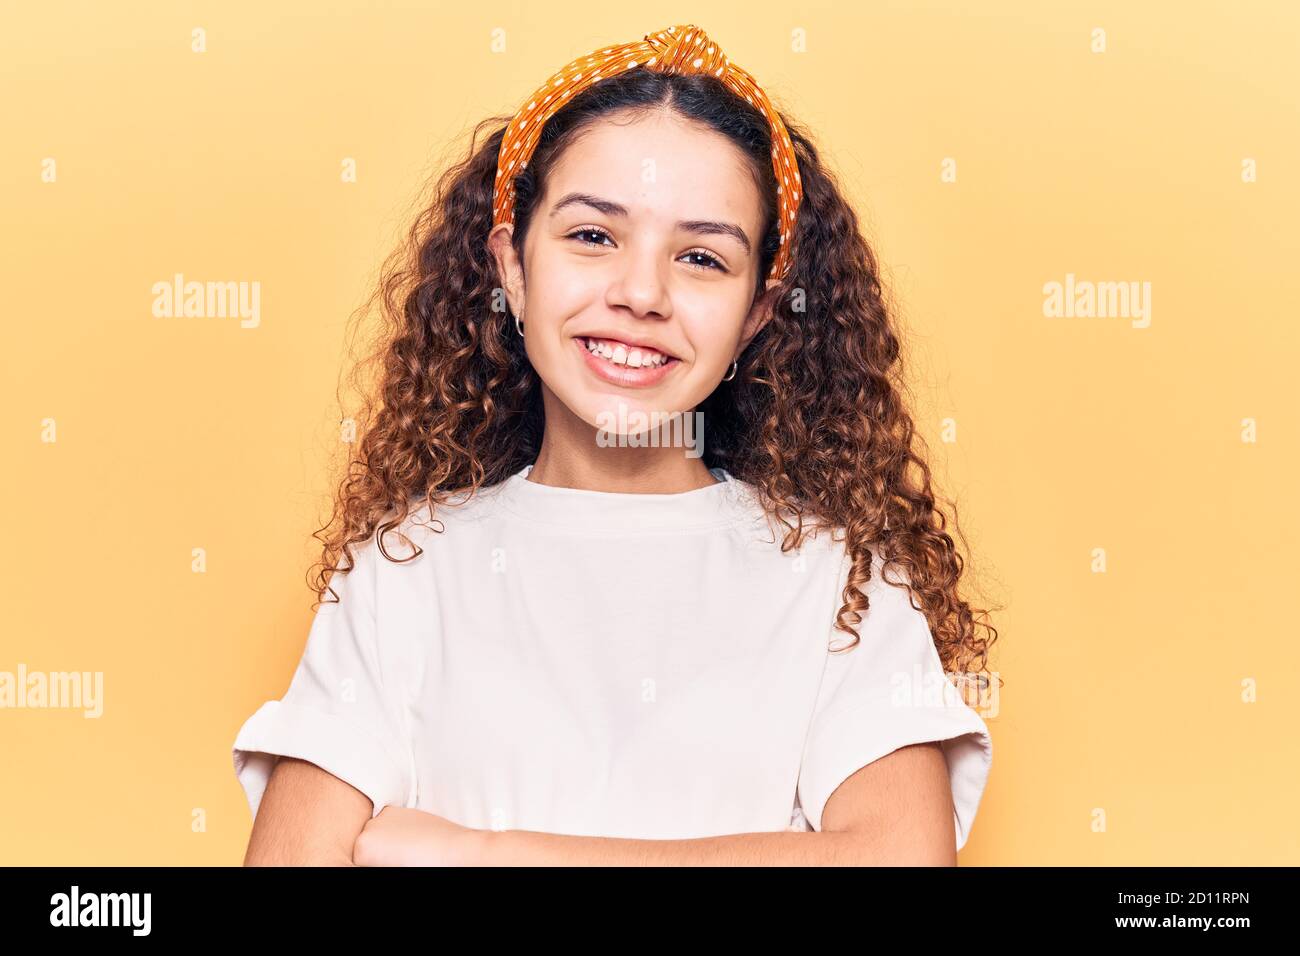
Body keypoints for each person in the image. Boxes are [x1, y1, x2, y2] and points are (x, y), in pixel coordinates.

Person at [233, 23, 999, 866]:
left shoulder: (843, 580)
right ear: (514, 270)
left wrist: (479, 851)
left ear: (757, 311)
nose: (641, 293)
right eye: (593, 236)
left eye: (702, 257)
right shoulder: (403, 570)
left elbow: (900, 859)